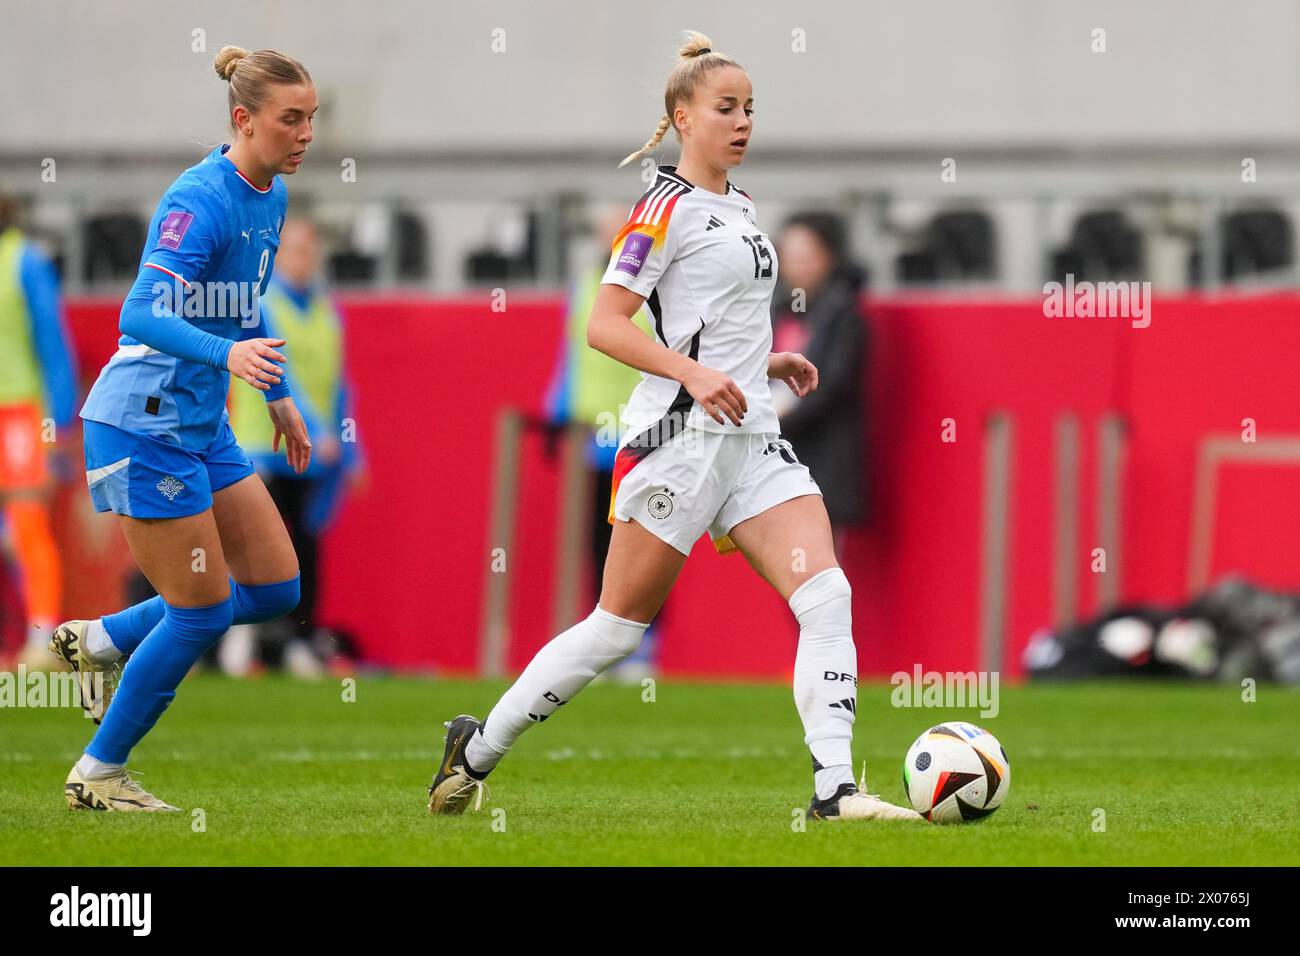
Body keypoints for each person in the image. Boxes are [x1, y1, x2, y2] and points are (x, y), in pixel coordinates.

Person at [429, 32, 922, 823]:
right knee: (617, 629)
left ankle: (835, 789)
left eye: (751, 109)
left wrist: (766, 367)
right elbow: (606, 324)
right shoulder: (661, 208)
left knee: (827, 597)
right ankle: (478, 747)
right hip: (676, 443)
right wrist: (692, 375)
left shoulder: (743, 208)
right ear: (682, 117)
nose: (743, 122)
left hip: (753, 438)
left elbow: (713, 328)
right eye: (726, 108)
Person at [48, 46, 316, 812]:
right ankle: (99, 773)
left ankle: (100, 642)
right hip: (141, 425)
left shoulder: (269, 195)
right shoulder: (198, 199)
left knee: (275, 588)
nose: (305, 134)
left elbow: (242, 300)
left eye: (311, 119)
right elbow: (140, 313)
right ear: (244, 119)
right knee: (199, 609)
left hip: (201, 427)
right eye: (290, 119)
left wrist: (279, 394)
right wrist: (230, 354)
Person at [226, 218, 365, 677]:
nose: (304, 260)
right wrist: (315, 427)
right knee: (256, 547)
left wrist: (351, 446)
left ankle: (299, 640)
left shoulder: (326, 311)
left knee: (306, 547)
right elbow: (284, 378)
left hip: (310, 452)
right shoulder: (264, 304)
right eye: (295, 250)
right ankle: (241, 641)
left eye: (310, 250)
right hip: (263, 444)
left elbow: (339, 384)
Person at [0, 195, 79, 671]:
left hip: (19, 413)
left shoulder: (24, 260)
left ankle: (41, 636)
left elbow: (53, 345)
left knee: (29, 523)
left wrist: (60, 424)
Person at [771, 212, 869, 558]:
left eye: (806, 257)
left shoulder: (842, 315)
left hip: (822, 460)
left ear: (830, 258)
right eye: (789, 257)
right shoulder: (775, 310)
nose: (796, 267)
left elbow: (830, 385)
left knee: (817, 569)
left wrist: (775, 414)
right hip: (778, 458)